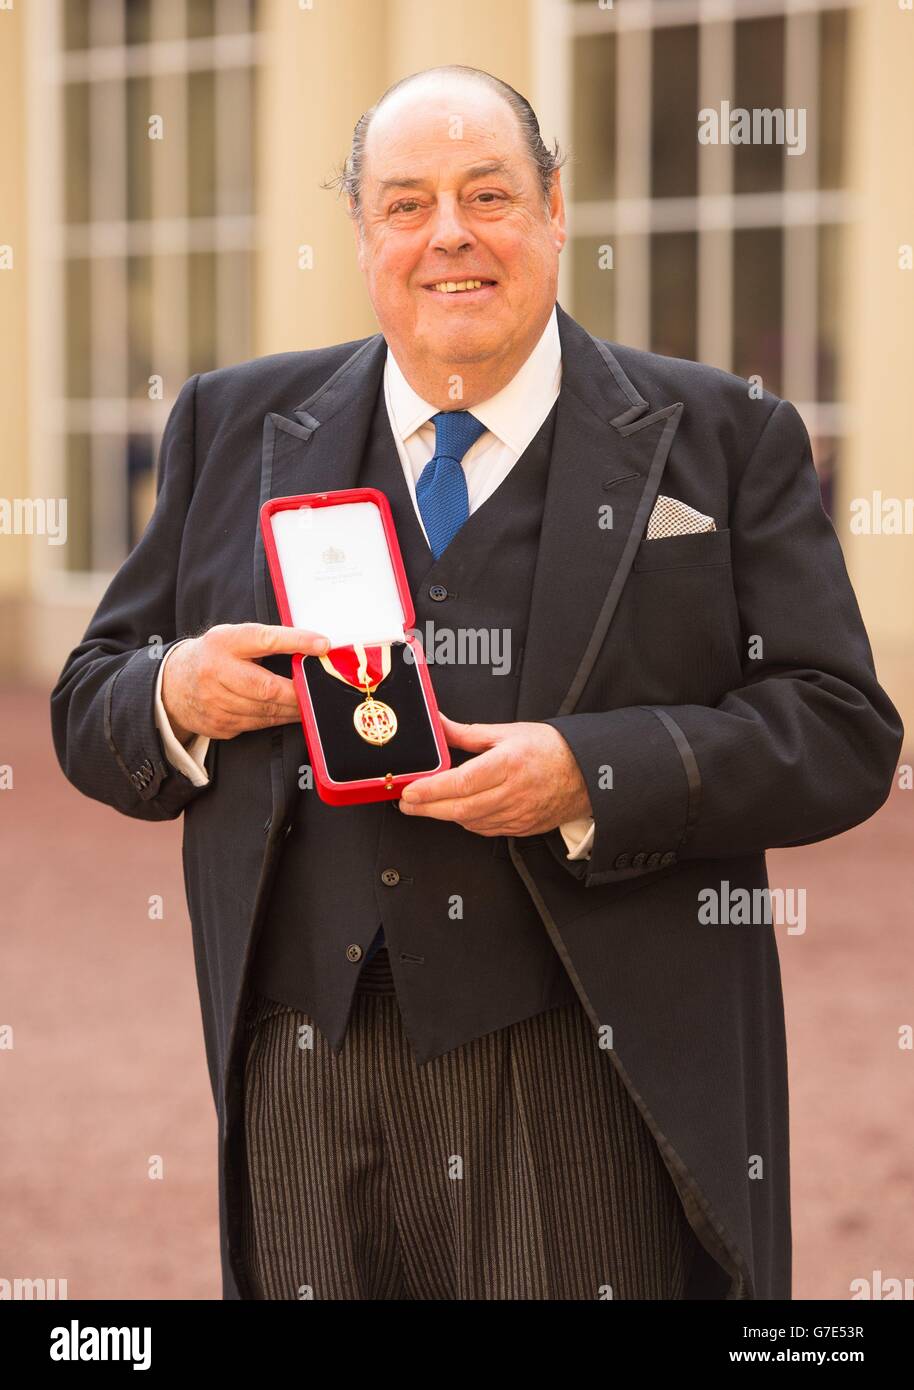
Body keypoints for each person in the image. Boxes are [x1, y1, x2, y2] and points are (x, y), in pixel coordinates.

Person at [51, 65, 903, 1301]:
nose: (447, 232)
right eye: (404, 204)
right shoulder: (231, 424)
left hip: (583, 1067)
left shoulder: (719, 437)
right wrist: (178, 691)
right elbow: (90, 701)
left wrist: (587, 775)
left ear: (554, 210)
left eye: (486, 193)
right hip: (305, 1064)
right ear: (361, 235)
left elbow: (838, 731)